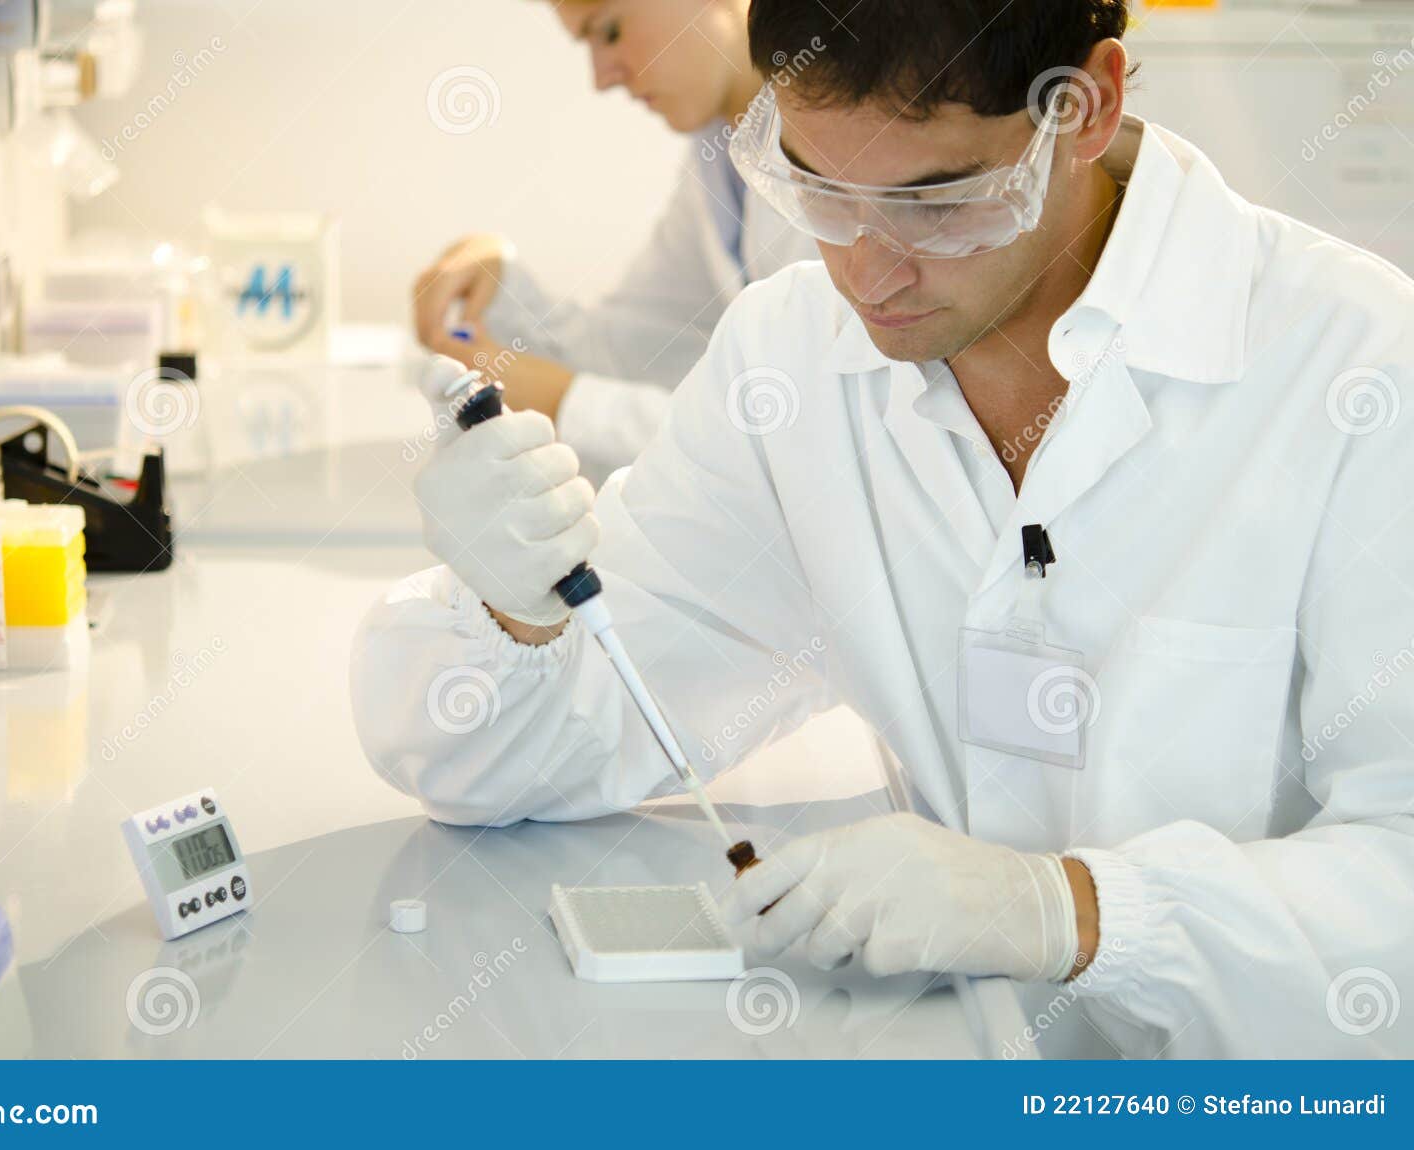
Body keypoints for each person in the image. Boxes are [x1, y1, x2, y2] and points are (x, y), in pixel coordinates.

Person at [355, 0, 1414, 1058]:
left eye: (939, 202)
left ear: (1087, 106)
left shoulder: (1359, 370)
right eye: (816, 189)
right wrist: (513, 604)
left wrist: (1068, 912)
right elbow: (499, 761)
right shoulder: (790, 365)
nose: (866, 272)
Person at [411, 0, 815, 481]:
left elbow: (794, 440)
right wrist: (502, 284)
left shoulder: (842, 153)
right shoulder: (721, 153)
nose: (602, 78)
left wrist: (565, 401)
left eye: (611, 31)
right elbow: (636, 339)